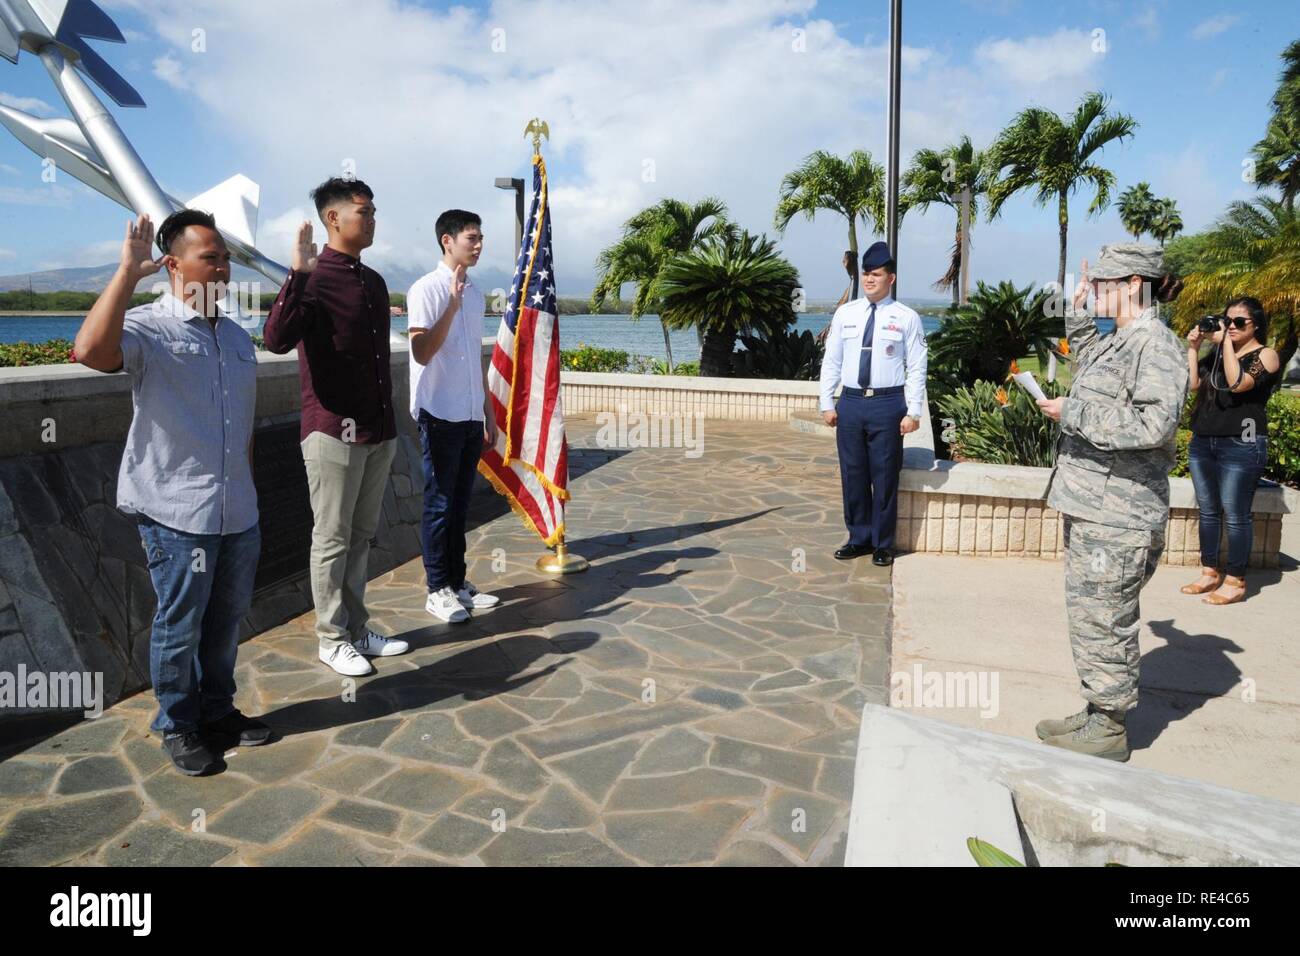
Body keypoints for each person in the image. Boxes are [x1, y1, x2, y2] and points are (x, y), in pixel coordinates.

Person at [74, 210, 271, 776]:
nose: (224, 266)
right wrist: (125, 275)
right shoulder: (148, 327)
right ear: (173, 265)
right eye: (211, 256)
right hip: (176, 511)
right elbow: (89, 351)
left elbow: (244, 425)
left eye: (226, 256)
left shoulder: (235, 335)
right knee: (180, 623)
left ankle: (217, 711)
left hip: (237, 508)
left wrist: (250, 489)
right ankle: (178, 724)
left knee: (225, 620)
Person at [1034, 244, 1187, 761]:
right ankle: (1099, 708)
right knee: (1090, 614)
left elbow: (1154, 424)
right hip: (1093, 506)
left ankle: (1111, 728)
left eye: (1101, 284)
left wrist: (1071, 413)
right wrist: (1080, 304)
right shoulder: (1116, 340)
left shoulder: (1156, 345)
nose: (1092, 291)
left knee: (1108, 616)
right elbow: (1083, 347)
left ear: (1130, 285)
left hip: (1120, 514)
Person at [263, 177, 409, 677]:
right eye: (363, 212)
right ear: (333, 218)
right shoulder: (314, 277)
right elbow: (276, 339)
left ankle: (356, 626)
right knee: (331, 536)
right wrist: (297, 274)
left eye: (373, 211)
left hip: (378, 430)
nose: (372, 219)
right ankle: (331, 637)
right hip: (332, 431)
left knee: (362, 534)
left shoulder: (372, 282)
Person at [408, 210, 501, 622]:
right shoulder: (425, 289)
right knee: (439, 503)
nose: (479, 245)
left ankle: (458, 582)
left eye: (481, 238)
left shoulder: (478, 294)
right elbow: (421, 352)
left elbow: (475, 356)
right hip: (438, 411)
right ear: (447, 240)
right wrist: (452, 303)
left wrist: (488, 411)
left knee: (461, 503)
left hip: (467, 412)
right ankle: (437, 588)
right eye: (471, 238)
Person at [819, 241, 928, 567]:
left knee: (884, 476)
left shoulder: (906, 317)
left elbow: (917, 366)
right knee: (853, 474)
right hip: (851, 402)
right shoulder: (846, 314)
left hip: (888, 403)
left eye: (876, 274)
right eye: (866, 273)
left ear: (890, 278)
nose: (868, 279)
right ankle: (858, 538)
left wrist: (913, 410)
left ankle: (883, 543)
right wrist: (827, 401)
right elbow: (831, 361)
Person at [1180, 297, 1281, 605]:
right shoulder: (1217, 353)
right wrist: (1194, 348)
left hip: (1243, 441)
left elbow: (1237, 383)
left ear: (1257, 325)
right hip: (1204, 439)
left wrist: (1224, 342)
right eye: (1227, 320)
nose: (1231, 327)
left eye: (1239, 322)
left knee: (1236, 514)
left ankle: (1235, 580)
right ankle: (1210, 572)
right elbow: (1194, 384)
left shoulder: (1267, 355)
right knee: (1208, 510)